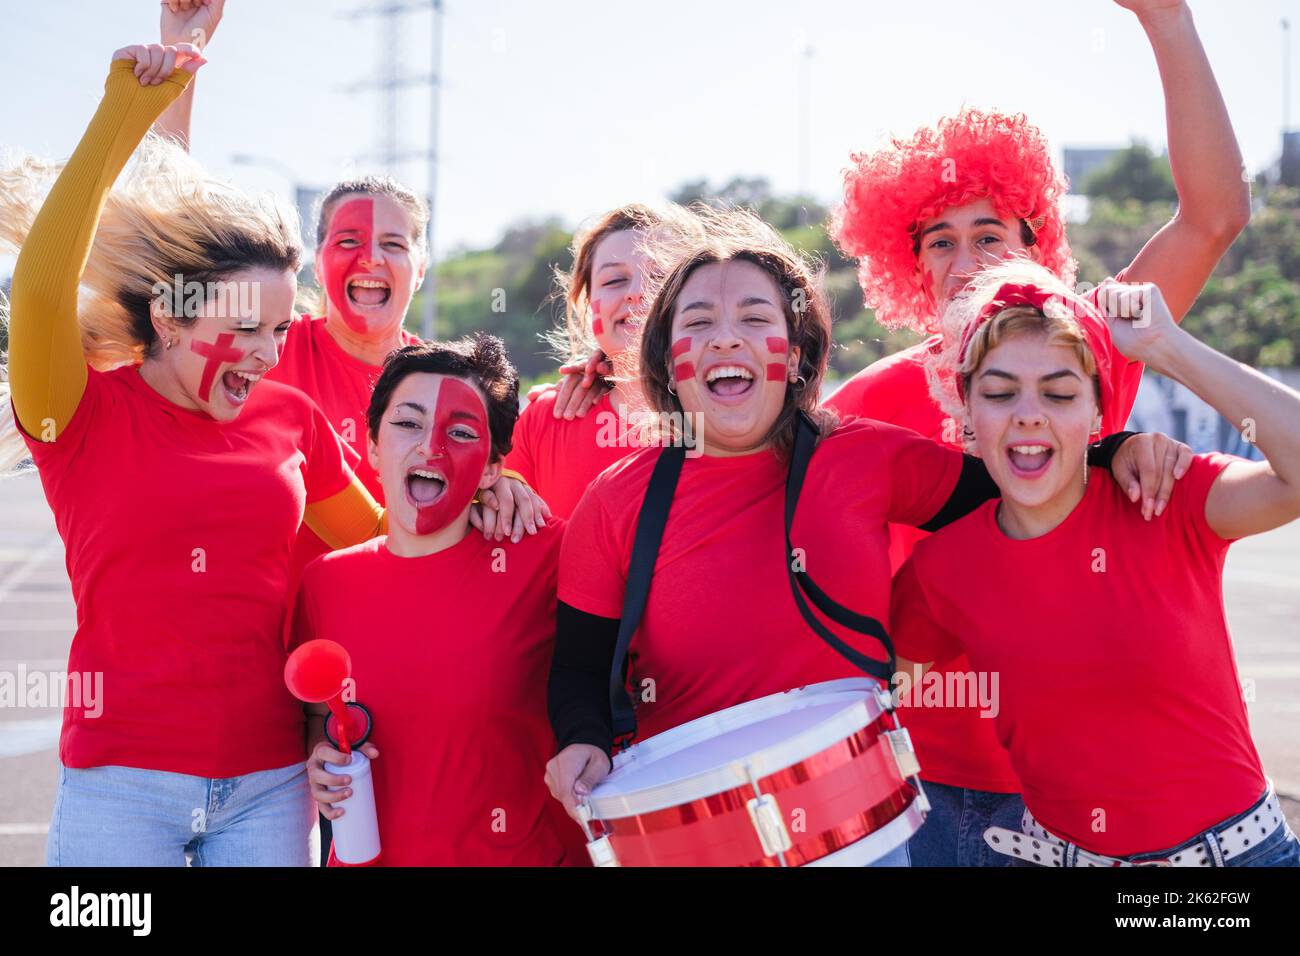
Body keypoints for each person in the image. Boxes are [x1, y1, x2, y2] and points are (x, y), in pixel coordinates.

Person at [543, 210, 1182, 867]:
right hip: (692, 834)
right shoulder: (615, 501)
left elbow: (1016, 487)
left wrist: (1114, 451)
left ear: (794, 356)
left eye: (757, 319)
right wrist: (581, 738)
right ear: (666, 360)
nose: (726, 340)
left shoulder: (862, 456)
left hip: (863, 831)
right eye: (699, 322)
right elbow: (579, 667)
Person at [824, 0, 1247, 865]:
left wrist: (1167, 22)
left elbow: (1213, 218)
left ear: (1035, 244)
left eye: (990, 233)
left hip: (1092, 794)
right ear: (911, 267)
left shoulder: (1091, 343)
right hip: (930, 784)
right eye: (939, 241)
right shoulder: (861, 404)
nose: (966, 258)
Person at [1, 44, 390, 865]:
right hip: (119, 781)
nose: (265, 353)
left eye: (280, 332)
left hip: (272, 782)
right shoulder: (76, 412)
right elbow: (39, 288)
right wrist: (123, 106)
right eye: (244, 328)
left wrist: (498, 495)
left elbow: (384, 550)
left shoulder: (292, 417)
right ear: (171, 318)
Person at [890, 261, 1300, 867]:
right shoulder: (942, 568)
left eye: (1059, 393)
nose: (1029, 414)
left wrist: (1168, 345)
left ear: (1097, 414)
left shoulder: (1167, 497)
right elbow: (871, 697)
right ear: (966, 412)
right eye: (1000, 393)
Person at [149, 0, 544, 554]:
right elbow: (175, 238)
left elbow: (497, 472)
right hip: (268, 639)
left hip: (388, 637)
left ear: (422, 266)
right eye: (349, 242)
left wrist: (512, 488)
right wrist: (185, 46)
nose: (370, 260)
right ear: (318, 258)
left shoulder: (448, 384)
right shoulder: (269, 350)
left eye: (392, 244)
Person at [293, 337, 579, 865]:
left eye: (462, 432)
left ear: (493, 467)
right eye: (407, 423)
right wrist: (320, 760)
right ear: (373, 446)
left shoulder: (548, 553)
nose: (431, 447)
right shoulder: (324, 583)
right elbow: (317, 719)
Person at [505, 203, 702, 518]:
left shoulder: (734, 417)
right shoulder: (545, 420)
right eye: (614, 281)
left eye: (661, 275)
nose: (637, 293)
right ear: (587, 304)